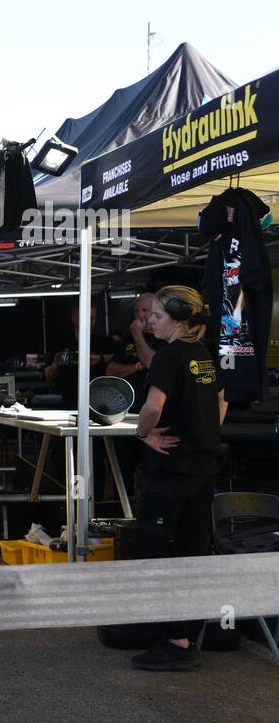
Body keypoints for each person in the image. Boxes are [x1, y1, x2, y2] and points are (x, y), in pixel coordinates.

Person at [129, 285, 226, 671]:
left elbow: (153, 407)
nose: (148, 320)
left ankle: (177, 640)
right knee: (191, 554)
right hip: (202, 470)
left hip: (170, 471)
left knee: (153, 553)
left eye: (155, 316)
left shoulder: (168, 357)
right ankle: (186, 635)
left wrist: (142, 433)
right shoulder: (202, 355)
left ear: (178, 320)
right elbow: (222, 400)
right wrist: (204, 434)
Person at [106, 293, 168, 502]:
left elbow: (152, 363)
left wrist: (138, 336)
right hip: (126, 417)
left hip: (154, 421)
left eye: (145, 310)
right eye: (136, 311)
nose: (140, 316)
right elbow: (111, 370)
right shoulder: (127, 340)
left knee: (153, 474)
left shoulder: (163, 339)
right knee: (121, 472)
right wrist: (135, 366)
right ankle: (121, 513)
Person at [45, 301, 119, 409]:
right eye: (85, 317)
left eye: (92, 318)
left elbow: (120, 361)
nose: (89, 321)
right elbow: (48, 376)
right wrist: (56, 364)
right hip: (69, 405)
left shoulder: (106, 343)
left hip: (100, 405)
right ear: (74, 318)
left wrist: (101, 358)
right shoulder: (63, 344)